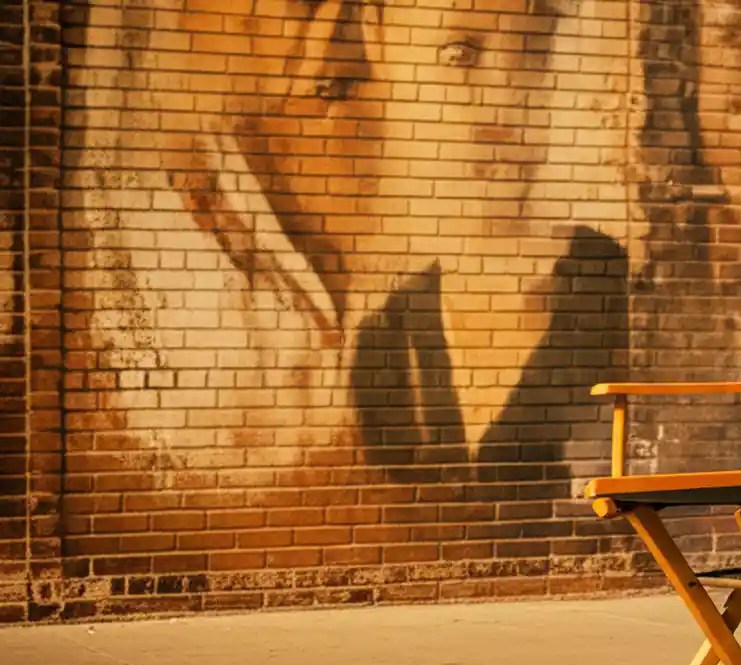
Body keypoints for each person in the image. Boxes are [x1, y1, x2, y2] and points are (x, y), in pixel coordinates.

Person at [73, 0, 629, 484]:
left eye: (535, 55)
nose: (505, 106)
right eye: (458, 55)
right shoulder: (385, 333)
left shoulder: (605, 283)